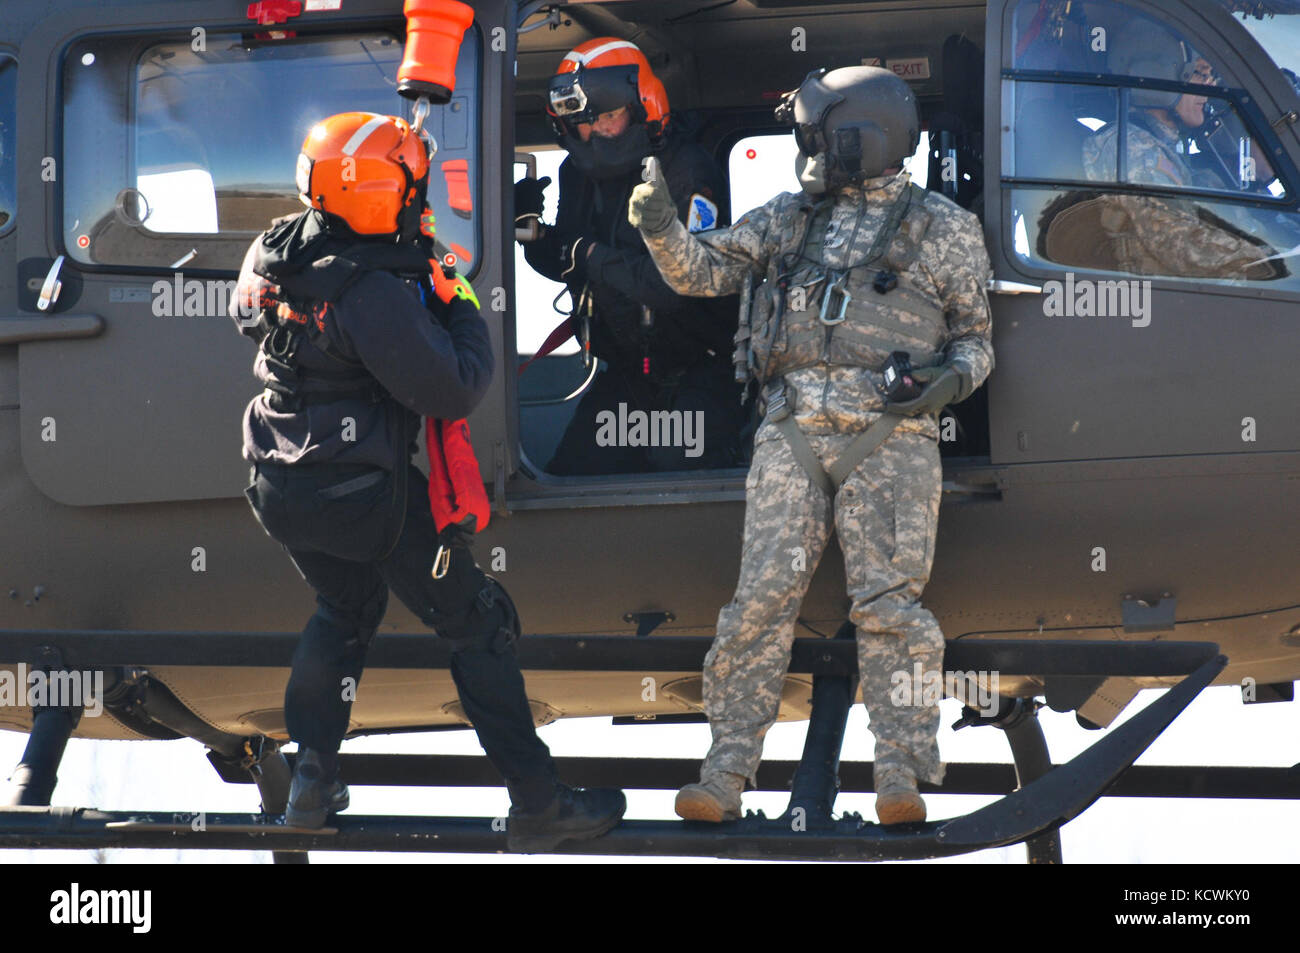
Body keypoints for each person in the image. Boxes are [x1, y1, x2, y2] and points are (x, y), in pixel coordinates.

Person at [230, 110, 624, 851]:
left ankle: (312, 784)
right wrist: (456, 300)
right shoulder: (372, 294)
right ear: (384, 195)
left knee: (341, 611)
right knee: (479, 622)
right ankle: (539, 803)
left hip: (278, 485)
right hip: (364, 496)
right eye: (411, 187)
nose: (421, 200)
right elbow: (455, 387)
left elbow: (250, 309)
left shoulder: (276, 247)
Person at [628, 67, 995, 824]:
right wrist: (661, 227)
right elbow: (703, 269)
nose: (808, 151)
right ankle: (725, 772)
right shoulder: (789, 219)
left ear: (863, 139)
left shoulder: (946, 230)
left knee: (893, 610)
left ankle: (901, 775)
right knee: (759, 603)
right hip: (791, 432)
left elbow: (976, 341)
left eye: (818, 136)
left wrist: (945, 385)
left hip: (891, 435)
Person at [515, 37, 745, 475]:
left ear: (643, 107)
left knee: (676, 464)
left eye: (608, 115)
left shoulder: (686, 169)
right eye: (583, 121)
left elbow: (675, 286)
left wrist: (587, 253)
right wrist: (532, 235)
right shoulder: (576, 173)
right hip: (627, 372)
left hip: (703, 369)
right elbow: (569, 263)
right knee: (569, 477)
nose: (595, 130)